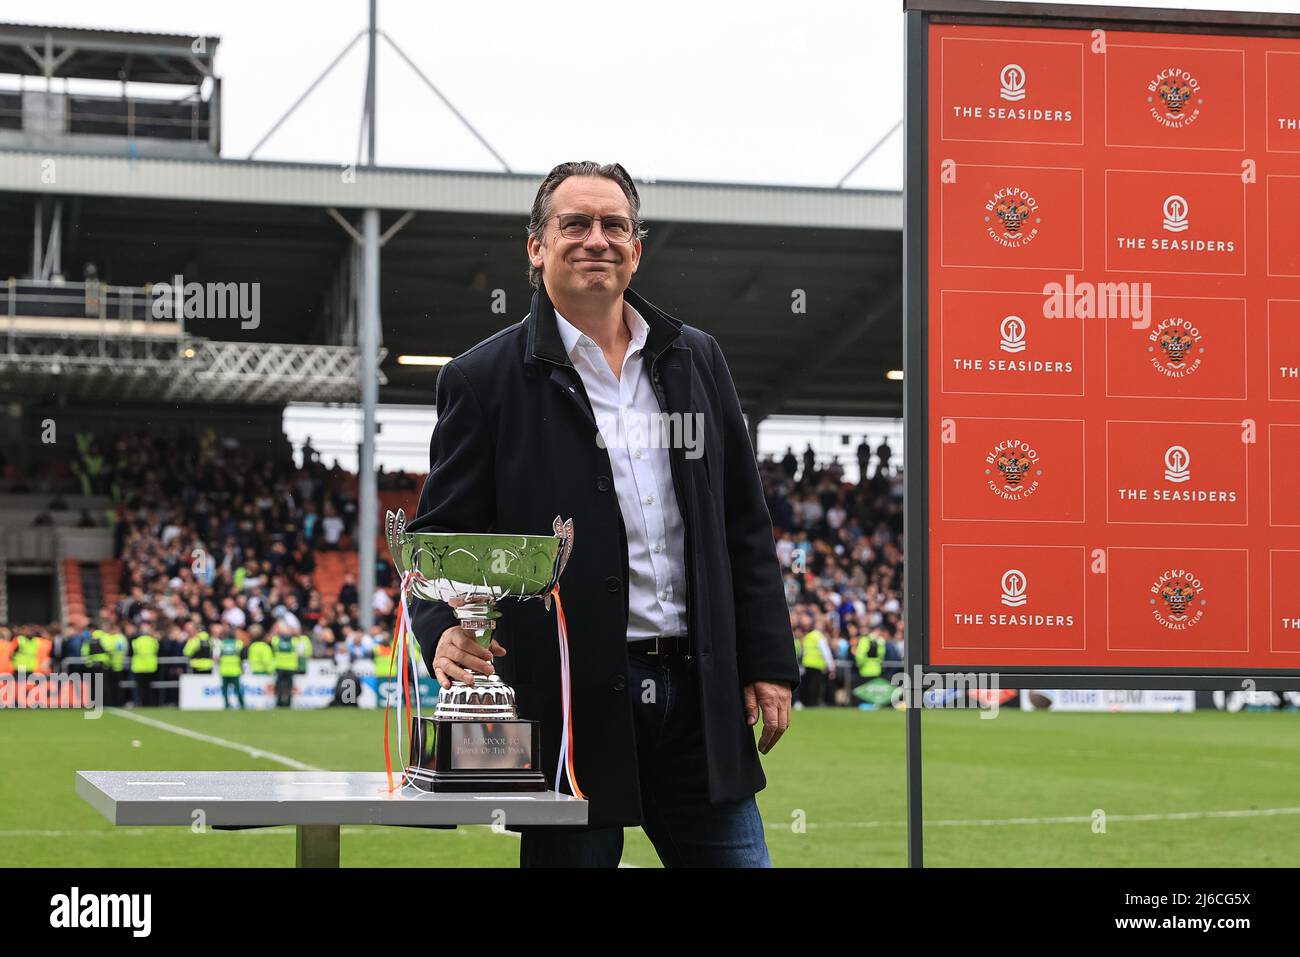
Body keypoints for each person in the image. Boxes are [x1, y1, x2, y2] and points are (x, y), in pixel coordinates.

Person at [408, 161, 798, 868]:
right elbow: (439, 538)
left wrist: (768, 659)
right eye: (575, 224)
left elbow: (743, 521)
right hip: (572, 703)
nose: (597, 239)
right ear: (536, 246)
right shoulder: (483, 378)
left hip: (698, 699)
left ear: (636, 247)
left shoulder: (695, 359)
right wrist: (442, 632)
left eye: (614, 225)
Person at [798, 613, 835, 709]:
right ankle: (813, 705)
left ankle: (806, 704)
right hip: (817, 665)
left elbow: (803, 651)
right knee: (814, 688)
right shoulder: (818, 636)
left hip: (807, 664)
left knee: (808, 686)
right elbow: (826, 652)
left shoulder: (808, 636)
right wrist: (831, 666)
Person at [129, 625, 159, 708]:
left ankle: (139, 703)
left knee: (139, 688)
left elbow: (131, 652)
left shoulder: (136, 641)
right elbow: (157, 650)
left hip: (138, 667)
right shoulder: (153, 641)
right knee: (149, 687)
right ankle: (150, 703)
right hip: (150, 667)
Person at [217, 628, 246, 710]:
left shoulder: (222, 644)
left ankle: (226, 705)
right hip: (235, 671)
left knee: (225, 690)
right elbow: (242, 656)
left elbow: (218, 657)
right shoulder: (238, 644)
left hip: (224, 670)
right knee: (237, 689)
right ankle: (242, 704)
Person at [272, 626, 298, 708]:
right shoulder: (294, 641)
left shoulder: (276, 641)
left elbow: (273, 636)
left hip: (280, 666)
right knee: (289, 687)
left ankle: (279, 702)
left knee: (279, 686)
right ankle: (288, 703)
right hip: (291, 667)